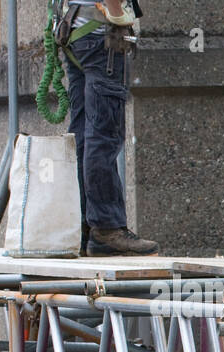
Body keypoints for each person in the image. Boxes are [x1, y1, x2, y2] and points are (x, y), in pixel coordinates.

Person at [63, 0, 159, 256]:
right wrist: (118, 15)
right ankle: (106, 228)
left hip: (75, 32)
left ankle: (85, 227)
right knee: (103, 136)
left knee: (83, 135)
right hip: (100, 37)